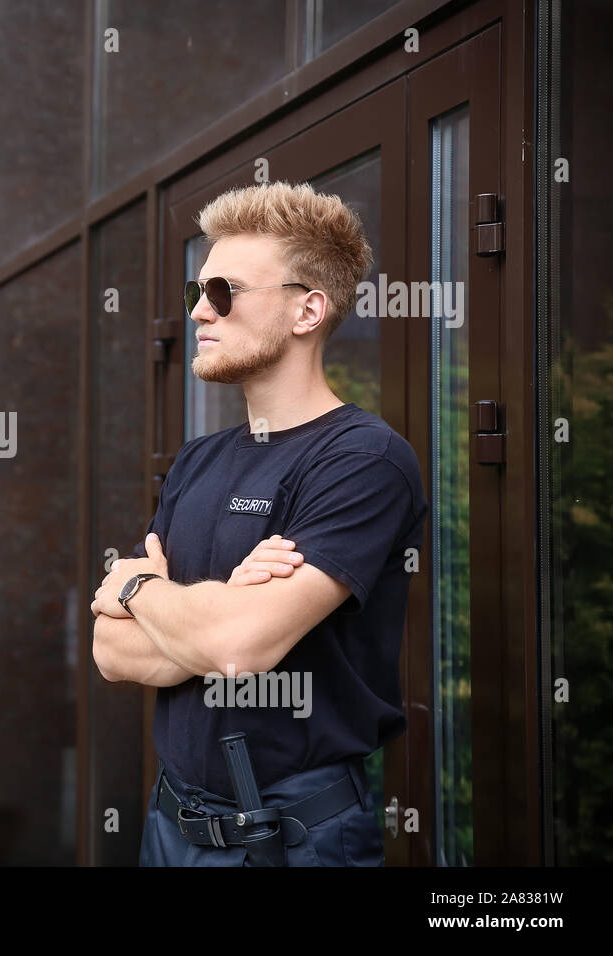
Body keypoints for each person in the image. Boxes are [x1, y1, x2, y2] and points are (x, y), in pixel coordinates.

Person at [90, 181, 428, 866]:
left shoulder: (364, 459)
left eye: (224, 293)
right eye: (195, 293)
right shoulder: (198, 460)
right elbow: (111, 654)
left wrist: (136, 590)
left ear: (307, 310)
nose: (198, 314)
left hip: (294, 835)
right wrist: (221, 616)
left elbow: (239, 649)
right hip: (171, 826)